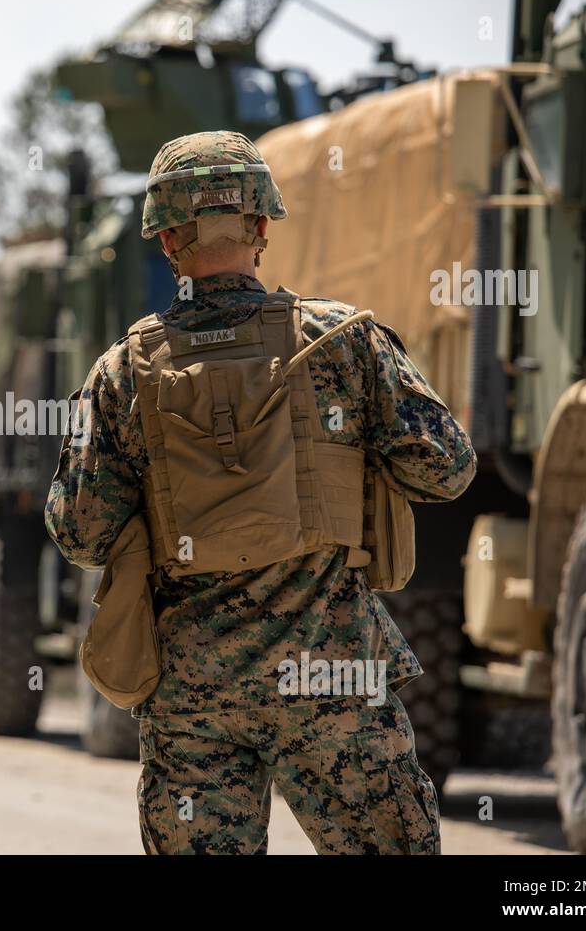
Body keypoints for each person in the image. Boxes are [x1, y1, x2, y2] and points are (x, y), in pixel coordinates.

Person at [45, 131, 476, 854]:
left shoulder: (122, 371)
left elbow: (83, 533)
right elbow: (447, 468)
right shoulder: (343, 341)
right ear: (263, 225)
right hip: (330, 677)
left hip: (193, 696)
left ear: (166, 239)